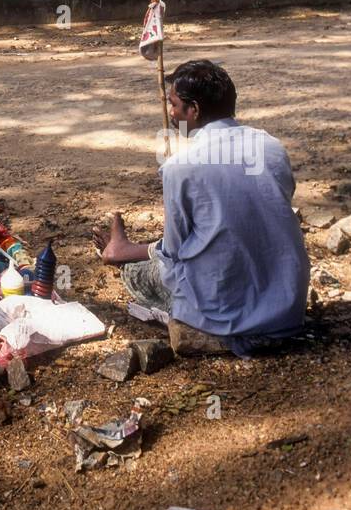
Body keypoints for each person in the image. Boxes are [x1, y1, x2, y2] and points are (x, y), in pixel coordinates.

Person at [93, 59, 310, 355]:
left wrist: (130, 252)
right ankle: (124, 250)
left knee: (141, 275)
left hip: (225, 315)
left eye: (174, 105)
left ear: (193, 110)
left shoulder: (179, 168)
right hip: (288, 307)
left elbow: (174, 252)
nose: (171, 114)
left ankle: (120, 253)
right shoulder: (270, 146)